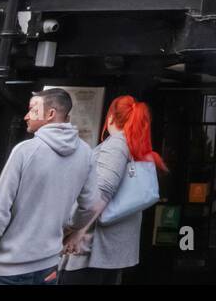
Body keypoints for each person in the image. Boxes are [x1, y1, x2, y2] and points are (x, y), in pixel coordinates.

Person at [0, 88, 96, 285]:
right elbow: (89, 205)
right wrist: (71, 228)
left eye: (32, 109)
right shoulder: (86, 153)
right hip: (48, 268)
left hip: (6, 269)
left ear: (50, 114)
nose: (26, 116)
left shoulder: (24, 151)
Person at [61, 95, 166, 285]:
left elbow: (101, 192)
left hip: (91, 248)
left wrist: (76, 230)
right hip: (110, 250)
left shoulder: (117, 145)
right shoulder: (135, 147)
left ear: (110, 117)